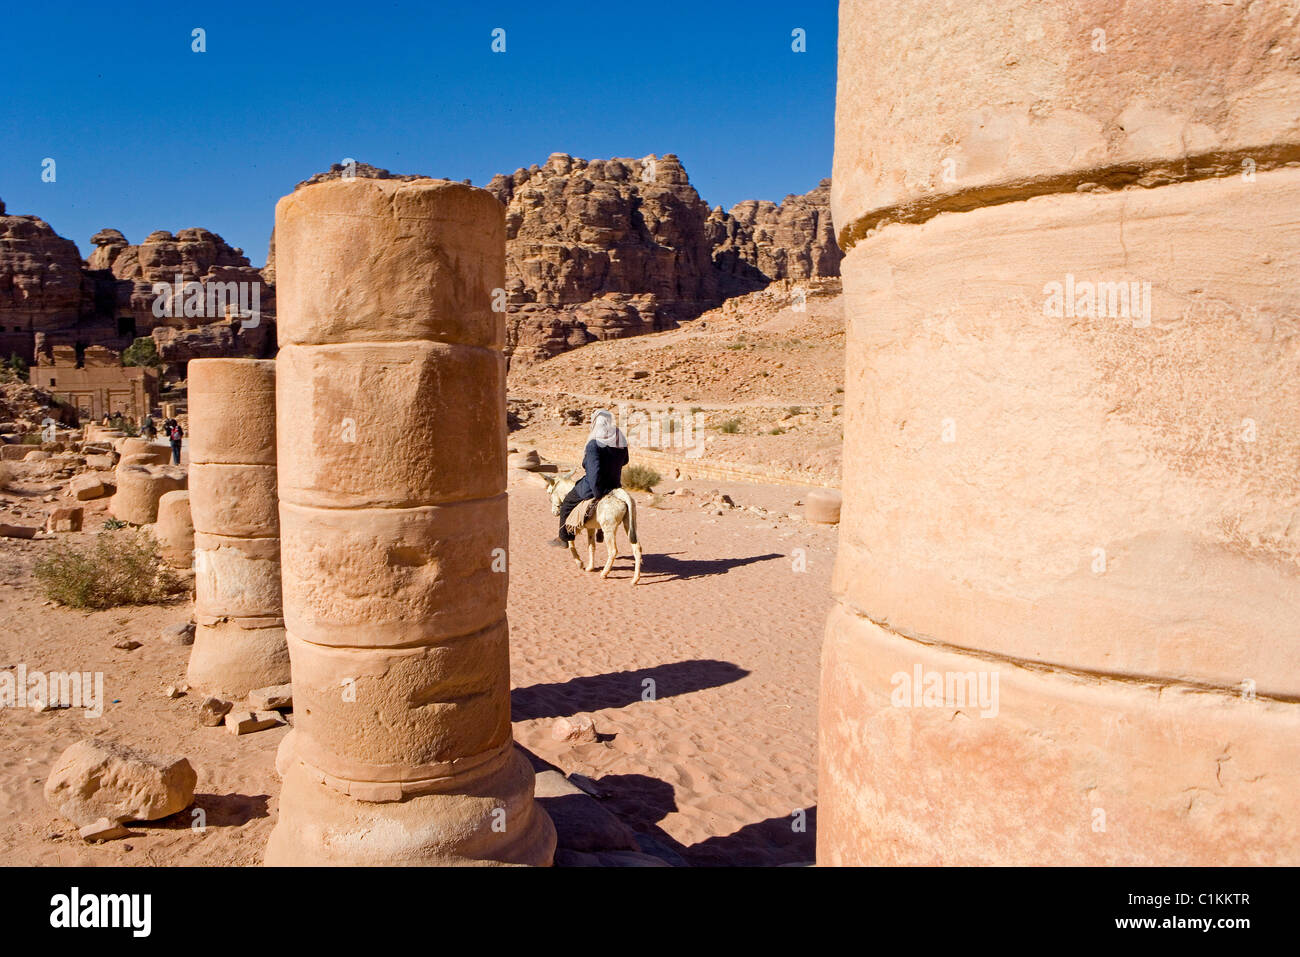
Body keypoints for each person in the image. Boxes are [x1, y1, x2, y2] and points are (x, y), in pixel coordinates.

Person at [555, 409, 628, 546]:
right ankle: (600, 531)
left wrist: (597, 493)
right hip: (615, 484)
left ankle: (564, 538)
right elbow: (625, 461)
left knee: (566, 503)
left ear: (595, 422)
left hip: (593, 486)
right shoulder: (619, 440)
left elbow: (594, 472)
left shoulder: (593, 443)